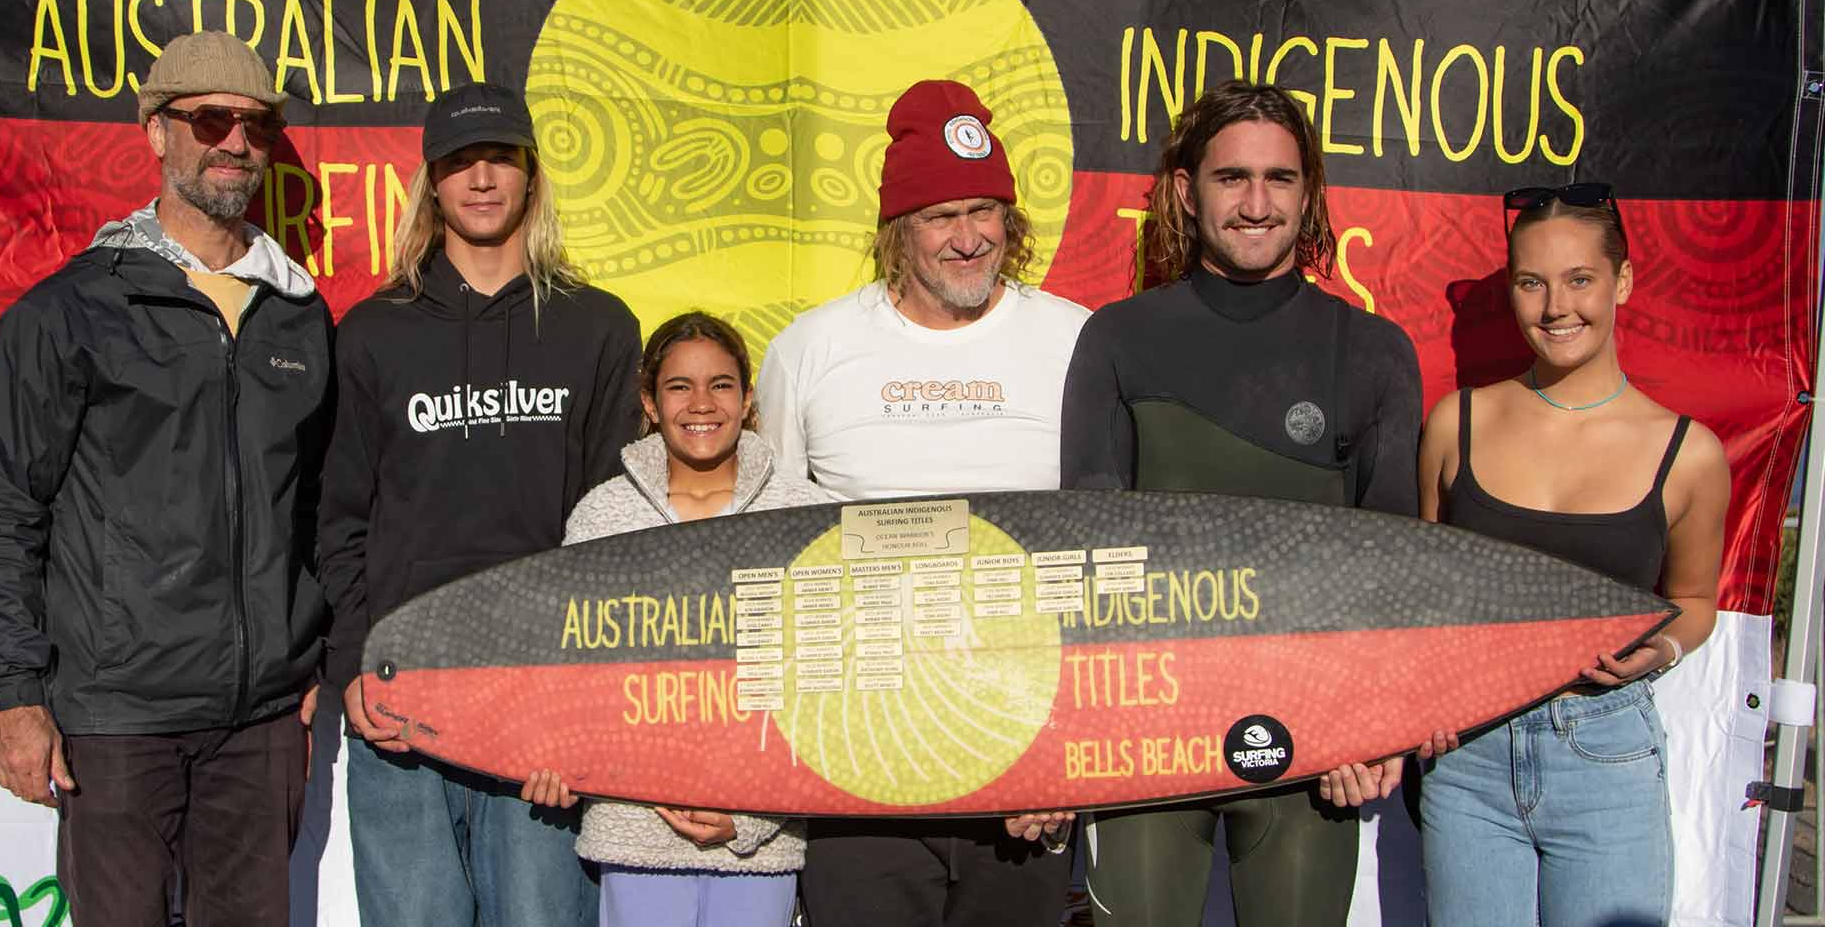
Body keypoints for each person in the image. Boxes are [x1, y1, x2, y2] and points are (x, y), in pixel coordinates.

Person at [0, 30, 329, 925]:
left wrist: (314, 656)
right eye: (209, 120)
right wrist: (16, 696)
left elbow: (317, 506)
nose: (235, 142)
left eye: (255, 124)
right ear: (157, 133)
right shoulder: (70, 311)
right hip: (116, 716)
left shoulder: (300, 317)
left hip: (262, 722)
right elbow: (5, 510)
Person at [1060, 78, 1424, 925]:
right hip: (1148, 733)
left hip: (1311, 743)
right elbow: (1090, 561)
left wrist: (1372, 723)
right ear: (1187, 192)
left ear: (1310, 192)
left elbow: (1393, 568)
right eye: (1232, 178)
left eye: (1280, 179)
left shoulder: (1370, 351)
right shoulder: (1117, 338)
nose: (1257, 204)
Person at [756, 78, 1091, 926]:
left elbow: (1102, 563)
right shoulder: (812, 348)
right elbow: (768, 557)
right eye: (942, 214)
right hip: (857, 762)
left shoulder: (1079, 340)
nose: (969, 237)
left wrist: (1065, 760)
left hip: (1024, 765)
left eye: (985, 210)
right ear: (897, 230)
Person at [317, 81, 641, 927]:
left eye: (501, 158)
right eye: (461, 162)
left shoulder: (596, 326)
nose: (483, 178)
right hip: (402, 694)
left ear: (532, 176)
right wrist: (353, 668)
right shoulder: (374, 331)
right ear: (432, 182)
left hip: (542, 699)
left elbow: (614, 527)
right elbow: (340, 521)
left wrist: (588, 697)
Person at [1413, 182, 1727, 927]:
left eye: (1580, 279)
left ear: (1621, 281)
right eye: (1532, 282)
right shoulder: (1456, 422)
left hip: (1607, 760)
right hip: (1468, 762)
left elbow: (1696, 599)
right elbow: (1422, 591)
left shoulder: (1688, 454)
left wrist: (1663, 652)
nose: (1557, 307)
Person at [521, 310, 821, 926]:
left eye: (721, 384)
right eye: (679, 386)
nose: (701, 403)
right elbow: (576, 676)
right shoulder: (602, 516)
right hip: (633, 830)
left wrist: (753, 818)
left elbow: (824, 691)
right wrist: (556, 755)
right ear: (651, 403)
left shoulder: (806, 512)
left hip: (759, 842)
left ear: (747, 399)